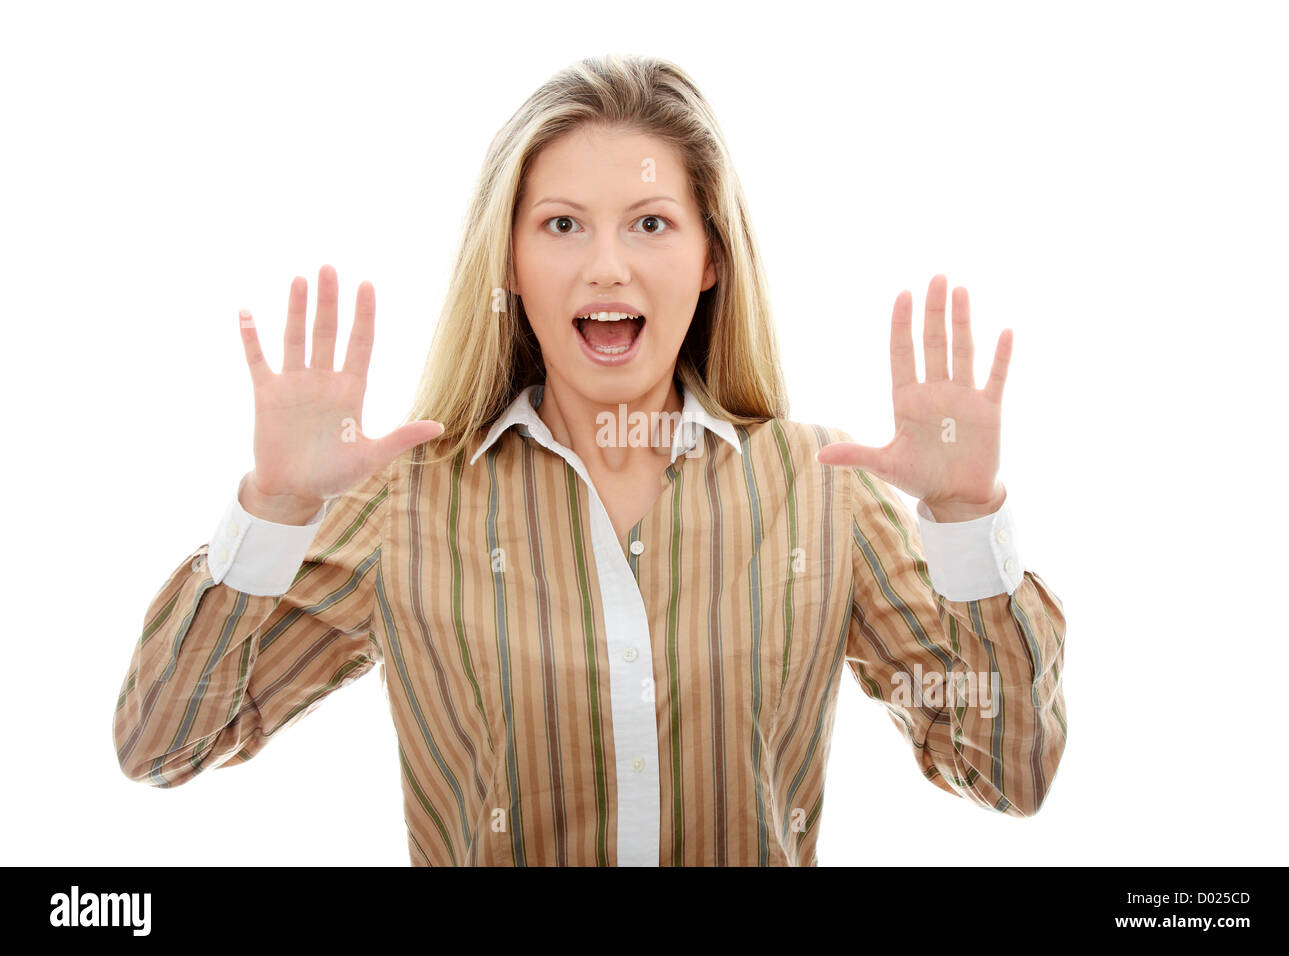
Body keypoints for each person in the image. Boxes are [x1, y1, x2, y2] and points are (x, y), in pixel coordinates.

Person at [113, 53, 1067, 866]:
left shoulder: (822, 491)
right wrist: (276, 507)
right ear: (511, 262)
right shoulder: (407, 502)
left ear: (709, 259)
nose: (606, 266)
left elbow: (1007, 773)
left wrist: (967, 522)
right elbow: (164, 745)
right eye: (562, 224)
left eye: (650, 223)